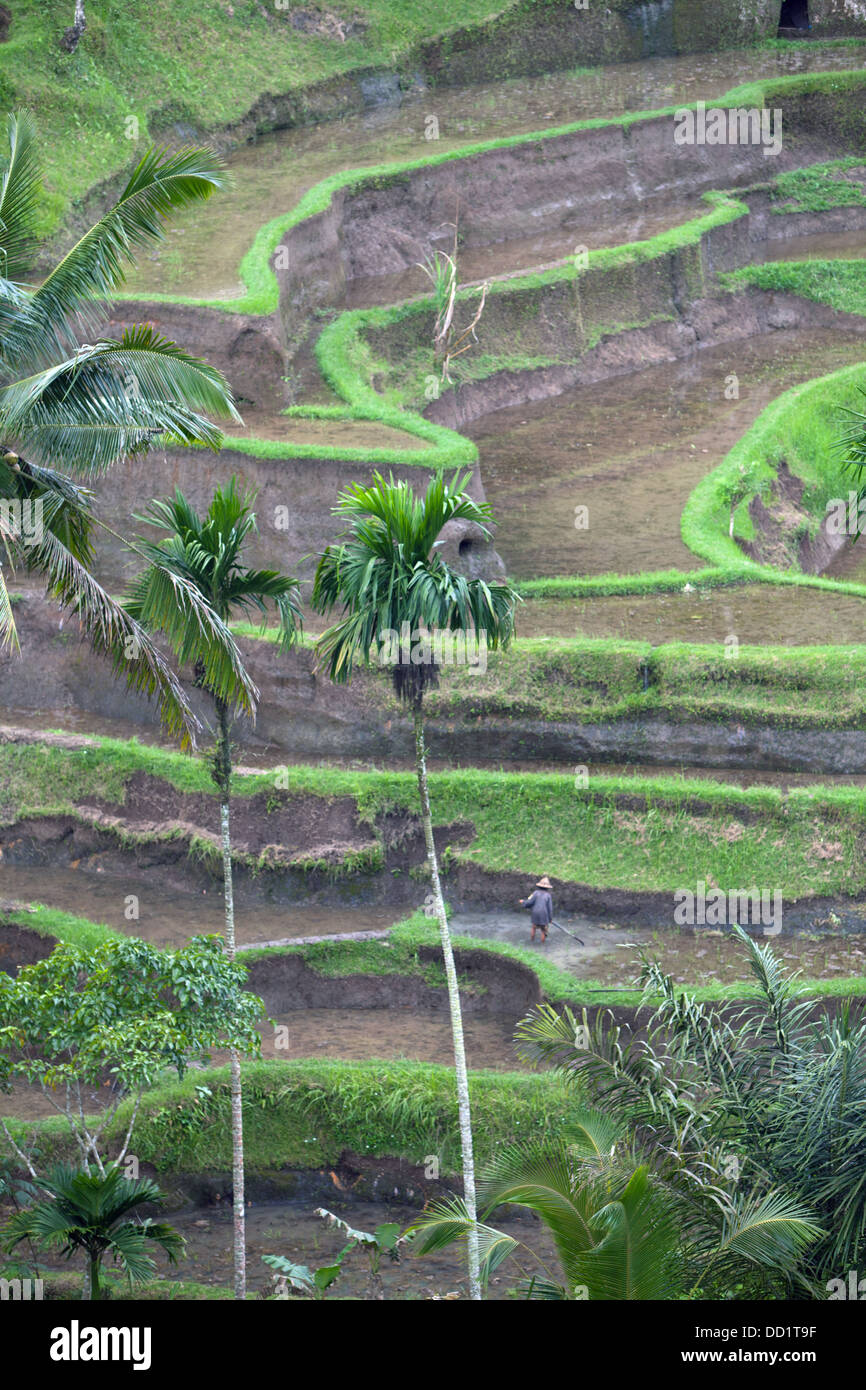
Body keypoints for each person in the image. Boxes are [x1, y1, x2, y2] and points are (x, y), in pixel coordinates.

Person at [519, 875, 553, 944]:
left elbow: (530, 902)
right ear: (547, 888)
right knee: (543, 930)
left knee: (534, 927)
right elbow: (550, 908)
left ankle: (532, 940)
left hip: (535, 912)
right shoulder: (548, 895)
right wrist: (550, 919)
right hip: (544, 914)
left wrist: (523, 902)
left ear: (539, 886)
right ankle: (542, 944)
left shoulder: (535, 893)